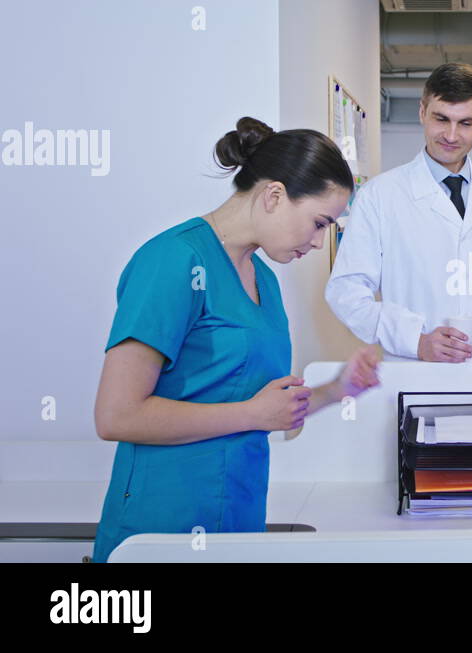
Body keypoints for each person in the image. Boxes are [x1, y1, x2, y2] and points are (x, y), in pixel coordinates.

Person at [92, 117, 380, 563]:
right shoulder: (174, 260)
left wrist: (337, 389)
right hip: (163, 528)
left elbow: (269, 409)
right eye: (319, 223)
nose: (321, 242)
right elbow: (116, 415)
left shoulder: (263, 277)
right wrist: (251, 413)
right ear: (274, 195)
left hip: (238, 521)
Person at [326, 62, 472, 363]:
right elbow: (346, 292)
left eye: (465, 123)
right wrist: (415, 340)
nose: (451, 135)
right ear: (422, 112)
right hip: (415, 372)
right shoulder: (380, 196)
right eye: (441, 119)